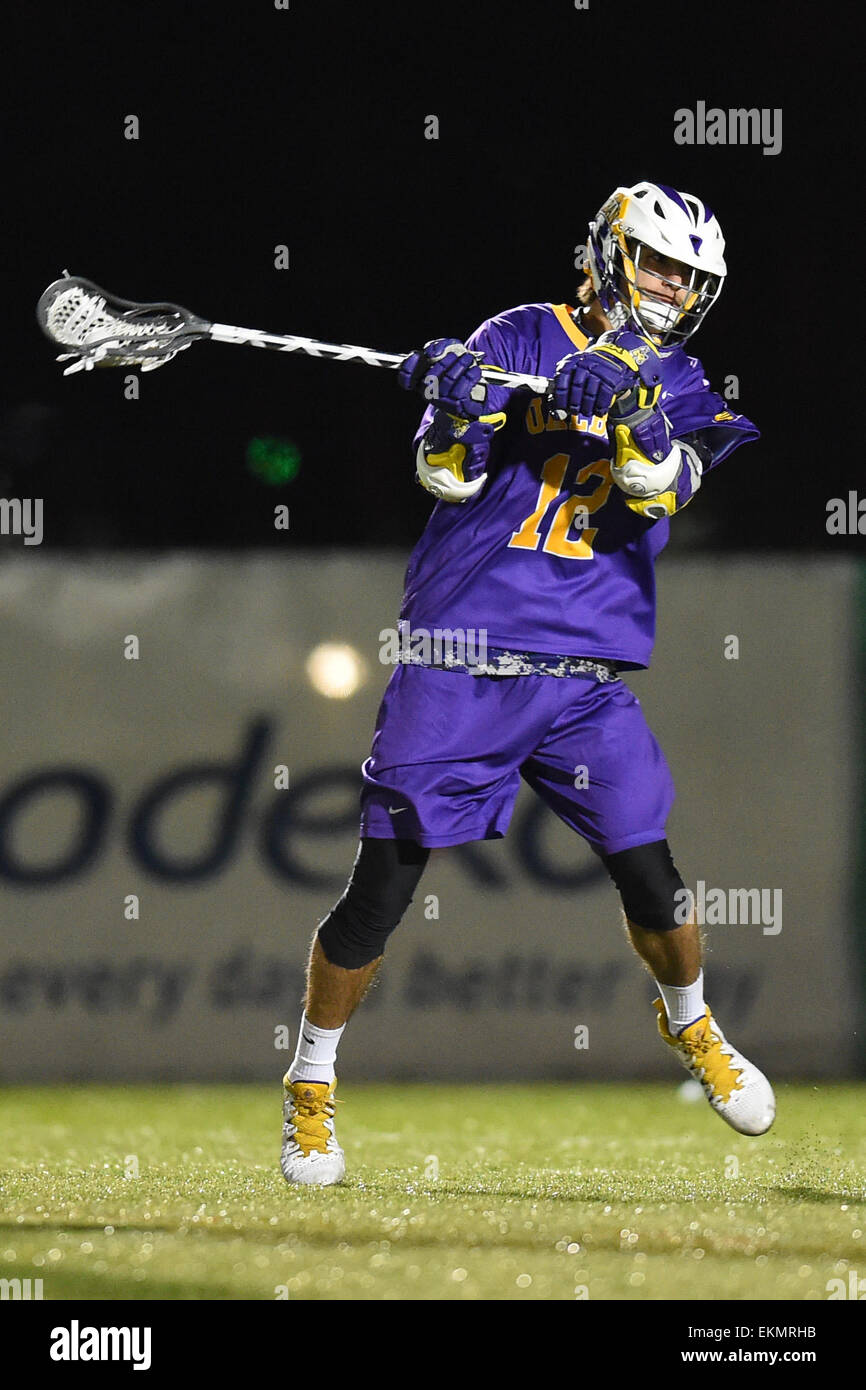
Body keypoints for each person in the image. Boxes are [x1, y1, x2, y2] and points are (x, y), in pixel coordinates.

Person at [280, 180, 774, 1187]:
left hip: (580, 675)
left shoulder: (678, 378)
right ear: (605, 253)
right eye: (656, 262)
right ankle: (310, 1083)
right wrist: (455, 399)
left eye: (688, 275)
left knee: (654, 876)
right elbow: (445, 475)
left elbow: (658, 483)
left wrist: (627, 407)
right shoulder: (519, 332)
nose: (671, 288)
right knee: (382, 885)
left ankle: (690, 1024)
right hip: (461, 657)